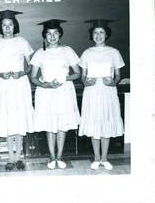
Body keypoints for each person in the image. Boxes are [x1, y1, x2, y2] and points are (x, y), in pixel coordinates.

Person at [0, 10, 35, 171]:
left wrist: (21, 73)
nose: (7, 28)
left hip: (20, 85)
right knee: (7, 119)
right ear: (0, 27)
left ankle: (18, 158)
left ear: (15, 26)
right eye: (4, 25)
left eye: (10, 25)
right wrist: (0, 74)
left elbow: (31, 66)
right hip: (3, 85)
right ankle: (10, 158)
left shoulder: (22, 42)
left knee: (18, 119)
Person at [29, 19, 81, 169]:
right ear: (44, 36)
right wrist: (45, 84)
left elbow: (77, 73)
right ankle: (52, 157)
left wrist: (63, 79)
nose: (52, 37)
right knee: (50, 125)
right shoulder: (40, 53)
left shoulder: (67, 51)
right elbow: (33, 77)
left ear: (60, 34)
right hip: (46, 92)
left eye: (55, 33)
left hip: (63, 91)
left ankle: (60, 156)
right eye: (49, 34)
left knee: (61, 125)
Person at [78, 18, 125, 170]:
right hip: (92, 93)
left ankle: (105, 158)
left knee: (106, 123)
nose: (98, 35)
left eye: (101, 32)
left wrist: (113, 82)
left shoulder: (114, 52)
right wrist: (86, 81)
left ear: (107, 34)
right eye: (95, 33)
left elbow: (118, 75)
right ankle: (96, 158)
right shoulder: (87, 53)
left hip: (107, 92)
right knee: (94, 123)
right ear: (92, 35)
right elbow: (83, 76)